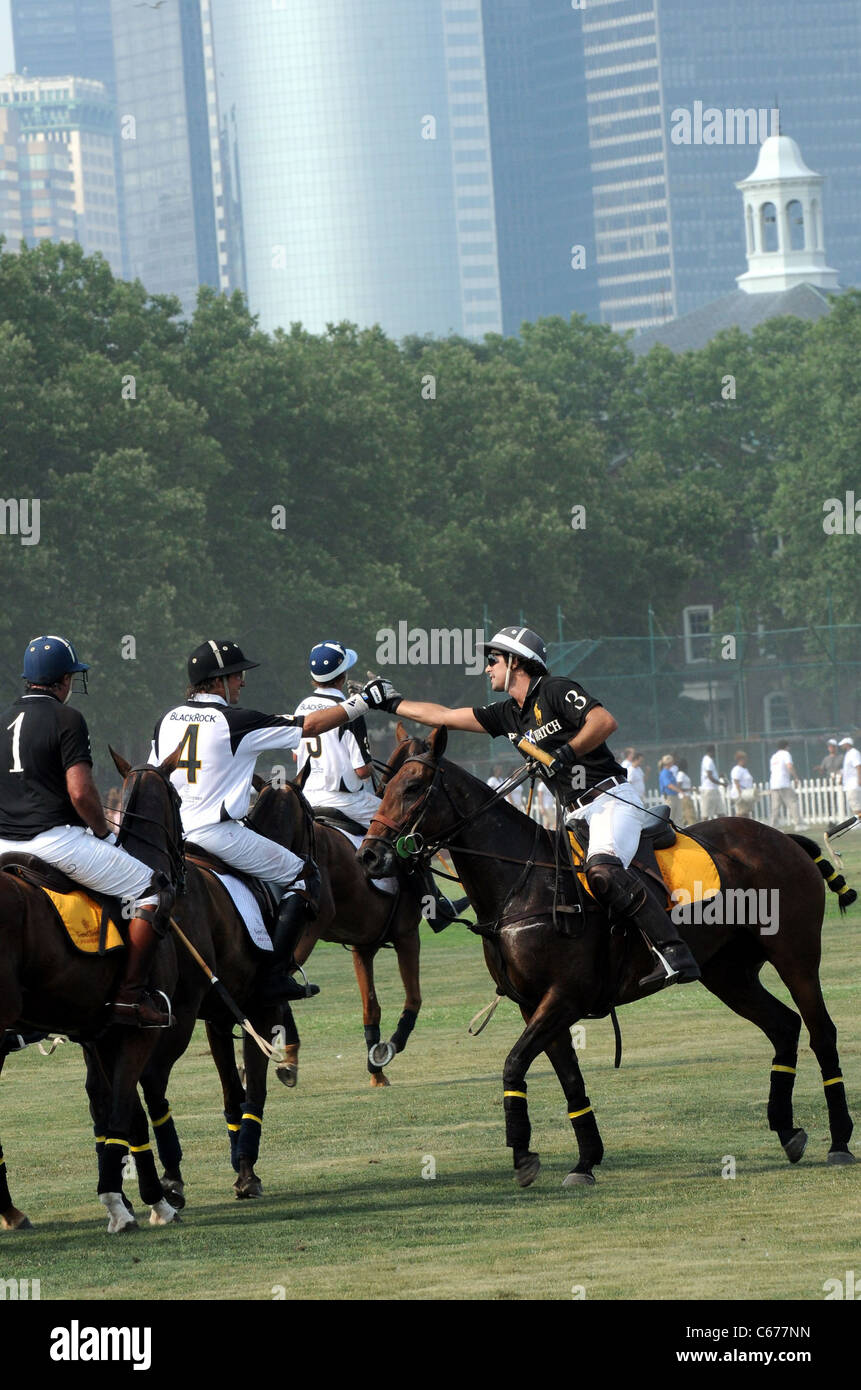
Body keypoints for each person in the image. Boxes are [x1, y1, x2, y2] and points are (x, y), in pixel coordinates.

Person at [362, 625, 700, 987]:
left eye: (493, 660)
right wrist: (389, 703)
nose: (487, 668)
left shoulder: (555, 690)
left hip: (609, 802)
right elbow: (443, 716)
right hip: (575, 814)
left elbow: (604, 721)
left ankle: (675, 953)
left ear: (516, 663)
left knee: (603, 871)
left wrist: (564, 753)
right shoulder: (506, 714)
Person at [150, 639, 374, 1003]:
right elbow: (313, 725)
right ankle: (274, 974)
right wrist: (363, 701)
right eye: (238, 675)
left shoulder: (167, 720)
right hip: (216, 834)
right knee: (305, 876)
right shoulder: (238, 721)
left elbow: (155, 775)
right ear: (219, 680)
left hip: (173, 835)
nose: (243, 682)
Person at [0, 635, 172, 1027]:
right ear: (62, 680)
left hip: (3, 843)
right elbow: (80, 793)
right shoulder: (67, 718)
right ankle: (130, 997)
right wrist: (104, 833)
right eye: (71, 678)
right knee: (154, 890)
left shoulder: (3, 717)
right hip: (55, 842)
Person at [768, 739, 799, 829]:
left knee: (775, 807)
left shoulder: (774, 756)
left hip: (774, 783)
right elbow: (789, 766)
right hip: (784, 783)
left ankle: (773, 826)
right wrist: (795, 777)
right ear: (786, 746)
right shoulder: (786, 754)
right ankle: (799, 824)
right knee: (792, 803)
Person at [839, 736, 861, 818]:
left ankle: (858, 822)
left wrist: (859, 779)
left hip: (853, 783)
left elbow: (858, 766)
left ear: (847, 744)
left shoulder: (854, 753)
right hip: (849, 784)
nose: (842, 746)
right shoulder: (848, 754)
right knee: (854, 803)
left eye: (843, 744)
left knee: (856, 804)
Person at [699, 745, 723, 819]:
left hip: (713, 789)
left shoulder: (707, 760)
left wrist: (718, 776)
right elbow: (710, 777)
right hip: (709, 790)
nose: (715, 753)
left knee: (720, 812)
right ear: (711, 751)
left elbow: (710, 776)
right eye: (714, 751)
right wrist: (722, 783)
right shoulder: (708, 761)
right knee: (706, 814)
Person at [730, 751, 756, 817]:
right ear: (740, 759)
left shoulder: (745, 769)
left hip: (747, 794)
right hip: (740, 794)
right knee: (741, 812)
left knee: (746, 813)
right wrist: (740, 794)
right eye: (745, 758)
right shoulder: (737, 769)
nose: (746, 760)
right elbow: (736, 781)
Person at [675, 758, 696, 827]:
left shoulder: (683, 774)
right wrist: (689, 789)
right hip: (684, 797)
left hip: (686, 796)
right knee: (690, 816)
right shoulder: (681, 774)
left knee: (686, 817)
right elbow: (679, 787)